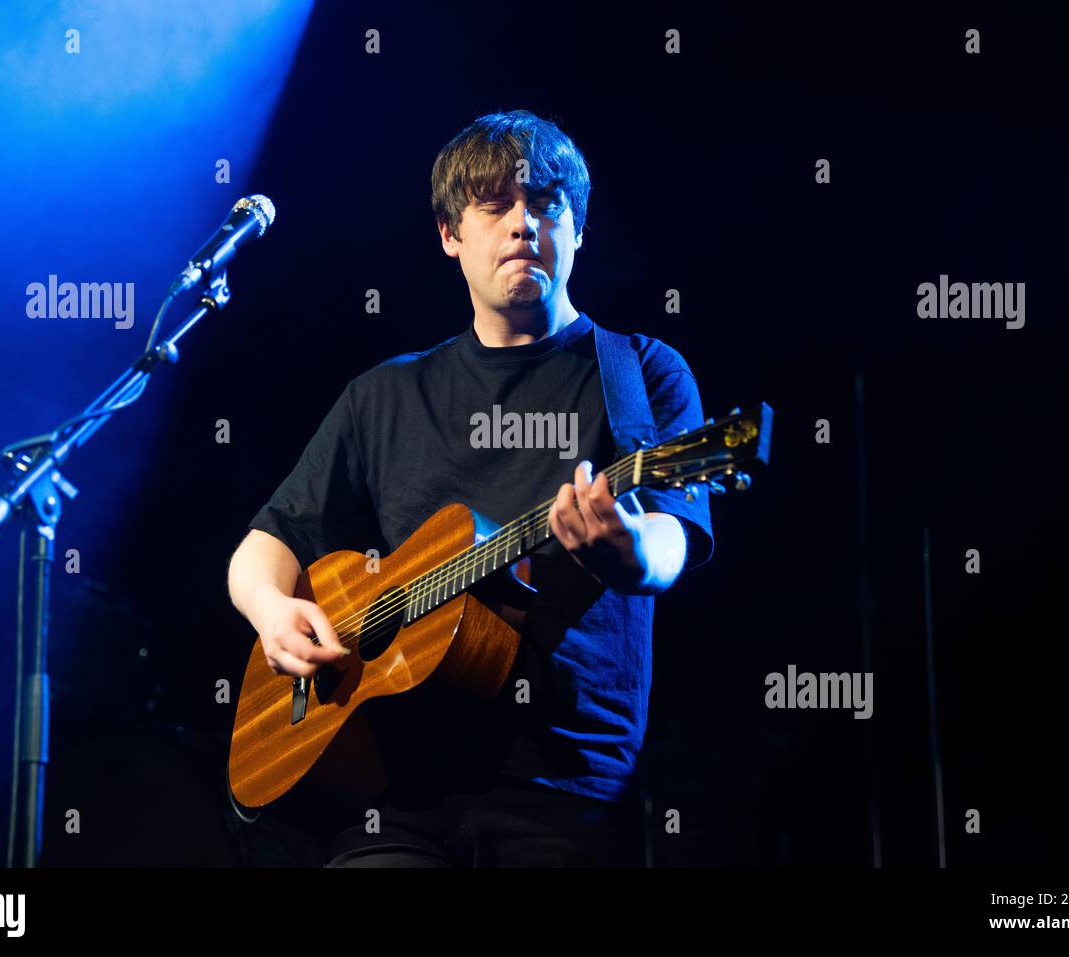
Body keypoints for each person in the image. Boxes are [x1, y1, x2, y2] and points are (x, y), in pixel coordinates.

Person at [226, 109, 714, 867]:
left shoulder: (641, 372)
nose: (524, 223)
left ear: (577, 229)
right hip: (393, 789)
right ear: (451, 235)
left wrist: (628, 552)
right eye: (494, 205)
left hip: (562, 781)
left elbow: (673, 539)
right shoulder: (383, 394)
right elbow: (266, 544)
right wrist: (273, 610)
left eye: (547, 203)